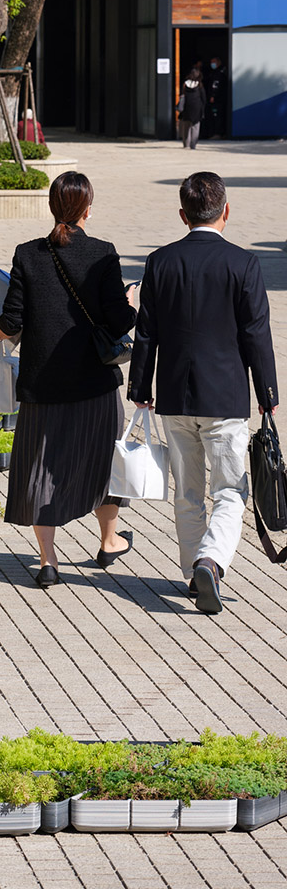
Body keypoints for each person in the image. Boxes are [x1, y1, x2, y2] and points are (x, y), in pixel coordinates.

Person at [126, 172, 278, 614]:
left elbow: (147, 332)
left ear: (182, 215)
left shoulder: (160, 262)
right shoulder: (244, 263)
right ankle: (211, 561)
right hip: (226, 398)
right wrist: (267, 392)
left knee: (188, 492)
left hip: (173, 394)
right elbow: (257, 335)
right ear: (225, 211)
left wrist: (139, 388)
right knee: (230, 490)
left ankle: (195, 568)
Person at [0, 172, 137, 588]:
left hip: (42, 386)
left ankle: (48, 561)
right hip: (94, 383)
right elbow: (121, 321)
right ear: (88, 209)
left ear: (53, 207)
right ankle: (108, 541)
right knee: (104, 462)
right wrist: (129, 300)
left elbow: (11, 321)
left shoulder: (28, 254)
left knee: (40, 469)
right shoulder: (104, 253)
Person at [177, 67, 207, 149]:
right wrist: (203, 107)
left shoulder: (185, 84)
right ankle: (193, 144)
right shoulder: (200, 85)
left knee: (186, 126)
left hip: (187, 107)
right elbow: (203, 98)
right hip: (197, 108)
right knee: (195, 126)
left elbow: (182, 95)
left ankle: (186, 143)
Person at [204, 56, 228, 139]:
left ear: (218, 63)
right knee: (214, 116)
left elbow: (216, 86)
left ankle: (218, 133)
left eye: (213, 62)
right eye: (211, 62)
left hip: (218, 100)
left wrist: (213, 96)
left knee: (217, 116)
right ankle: (215, 132)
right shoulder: (213, 73)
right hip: (216, 100)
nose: (212, 64)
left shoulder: (219, 74)